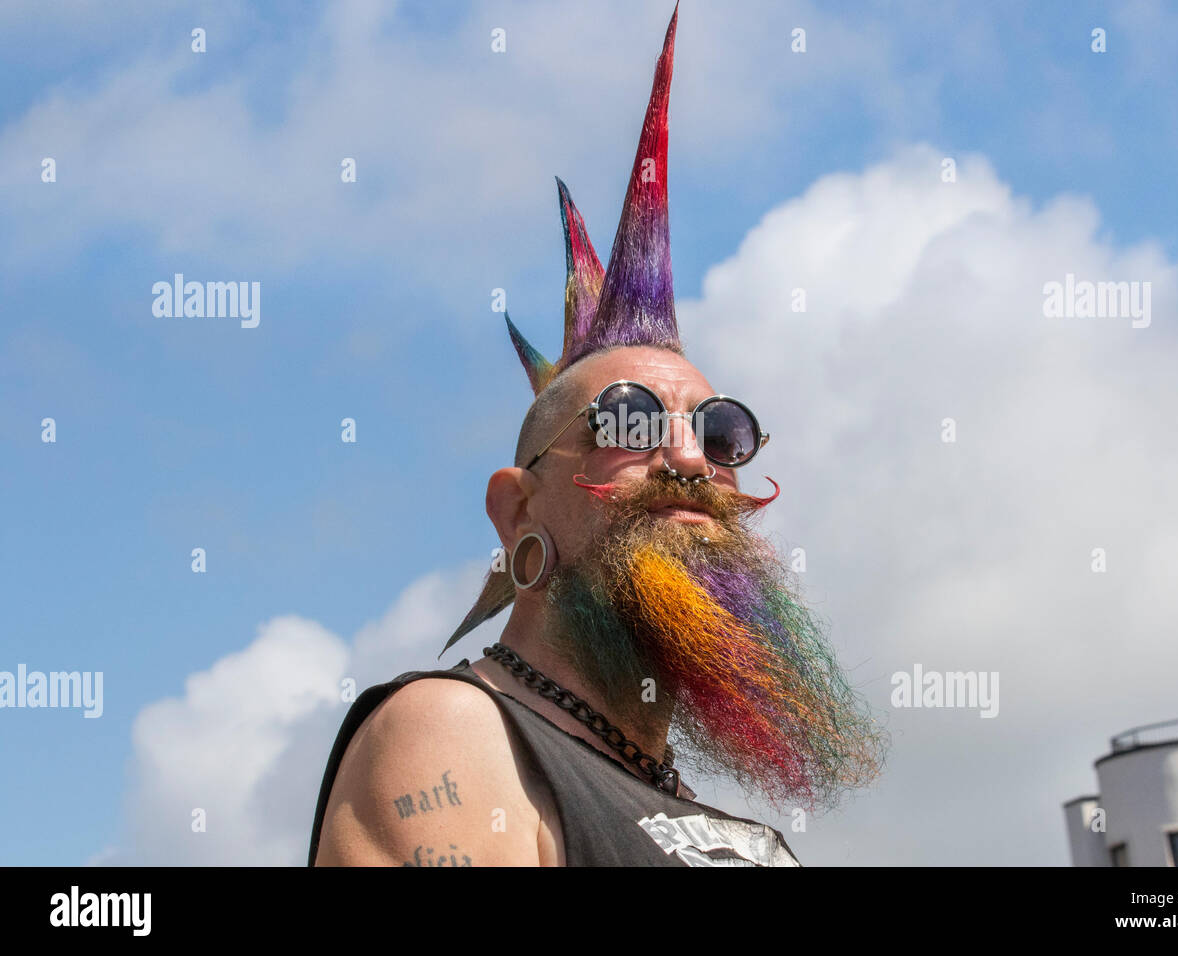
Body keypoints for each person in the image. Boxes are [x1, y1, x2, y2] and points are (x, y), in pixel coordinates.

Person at [309, 4, 883, 867]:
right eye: (628, 420)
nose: (690, 459)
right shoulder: (458, 735)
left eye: (723, 433)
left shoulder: (724, 827)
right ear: (516, 510)